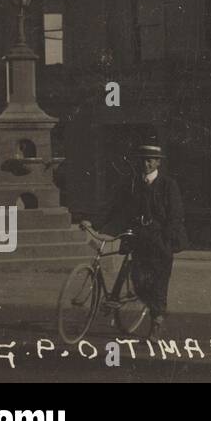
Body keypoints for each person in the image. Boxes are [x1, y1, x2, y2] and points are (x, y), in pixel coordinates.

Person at [81, 144, 186, 337]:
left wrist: (166, 238)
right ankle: (154, 309)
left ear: (158, 162)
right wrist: (93, 222)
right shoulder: (131, 183)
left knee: (159, 283)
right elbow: (113, 206)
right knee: (138, 281)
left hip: (161, 241)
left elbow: (176, 214)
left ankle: (156, 323)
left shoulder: (167, 184)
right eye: (142, 160)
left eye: (150, 160)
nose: (145, 164)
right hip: (139, 239)